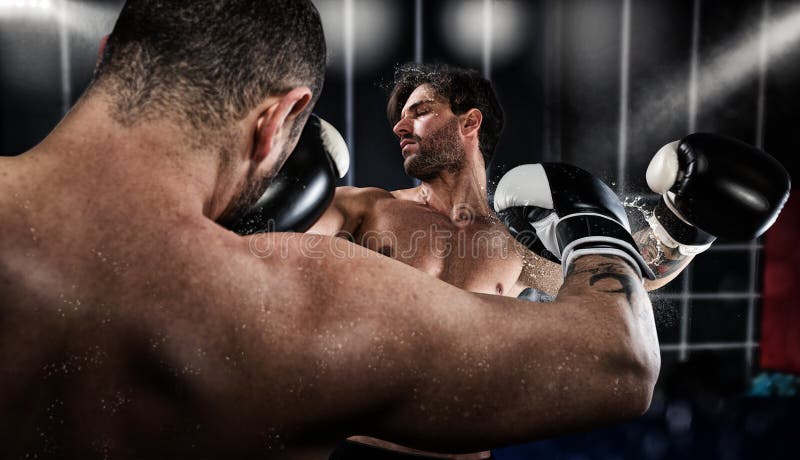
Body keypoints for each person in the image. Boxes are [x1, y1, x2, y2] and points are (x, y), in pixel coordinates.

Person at [0, 2, 667, 459]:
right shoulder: (298, 300)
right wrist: (591, 222)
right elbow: (618, 361)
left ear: (105, 58)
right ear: (278, 122)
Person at [303, 63, 790, 459]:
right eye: (401, 116)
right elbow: (263, 237)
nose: (400, 125)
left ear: (469, 122)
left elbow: (626, 275)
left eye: (420, 111)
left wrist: (686, 226)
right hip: (361, 448)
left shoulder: (515, 243)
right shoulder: (365, 208)